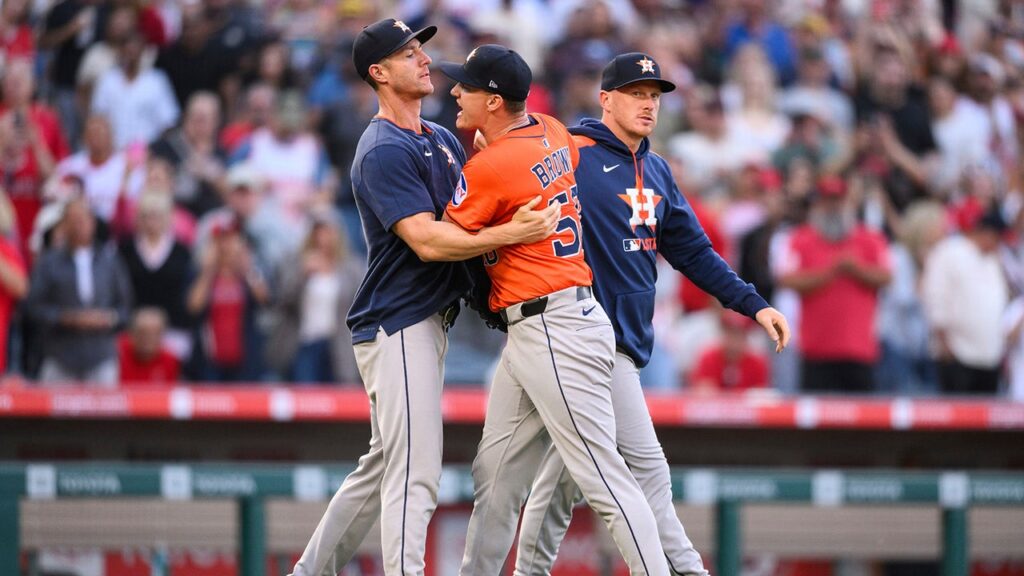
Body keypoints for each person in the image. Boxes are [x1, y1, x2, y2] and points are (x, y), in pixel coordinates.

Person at [289, 20, 558, 576]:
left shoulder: (437, 137)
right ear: (379, 73)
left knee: (382, 465)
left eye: (421, 49)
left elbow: (470, 214)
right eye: (408, 53)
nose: (424, 59)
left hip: (425, 319)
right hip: (398, 320)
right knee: (415, 470)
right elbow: (430, 241)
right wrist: (514, 234)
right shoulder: (382, 147)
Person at [505, 52, 789, 576]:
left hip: (623, 344)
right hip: (583, 337)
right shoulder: (573, 151)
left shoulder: (656, 170)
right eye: (636, 93)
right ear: (606, 98)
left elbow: (695, 253)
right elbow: (509, 178)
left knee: (563, 480)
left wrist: (755, 303)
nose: (648, 105)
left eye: (655, 96)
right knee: (648, 470)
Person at [440, 45, 669, 576]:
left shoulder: (493, 163)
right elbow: (538, 161)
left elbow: (438, 242)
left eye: (466, 86)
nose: (455, 91)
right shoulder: (550, 128)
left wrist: (499, 205)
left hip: (554, 326)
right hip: (539, 326)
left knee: (604, 477)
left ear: (494, 102)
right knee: (495, 477)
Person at [26, 197, 133, 386]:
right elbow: (33, 307)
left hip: (101, 355)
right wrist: (65, 318)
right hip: (60, 355)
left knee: (104, 413)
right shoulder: (49, 263)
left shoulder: (110, 261)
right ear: (64, 225)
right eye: (73, 221)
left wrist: (107, 318)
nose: (78, 226)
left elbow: (126, 307)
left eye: (83, 220)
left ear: (92, 222)